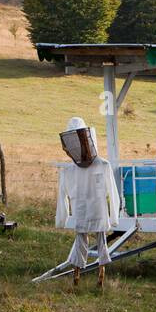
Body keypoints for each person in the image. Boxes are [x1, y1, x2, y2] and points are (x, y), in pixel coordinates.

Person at [54, 117, 120, 288]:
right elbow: (62, 196)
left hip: (86, 210)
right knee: (95, 241)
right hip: (86, 210)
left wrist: (62, 219)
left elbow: (112, 193)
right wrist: (114, 218)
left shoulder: (101, 165)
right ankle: (93, 276)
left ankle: (85, 276)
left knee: (92, 241)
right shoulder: (69, 170)